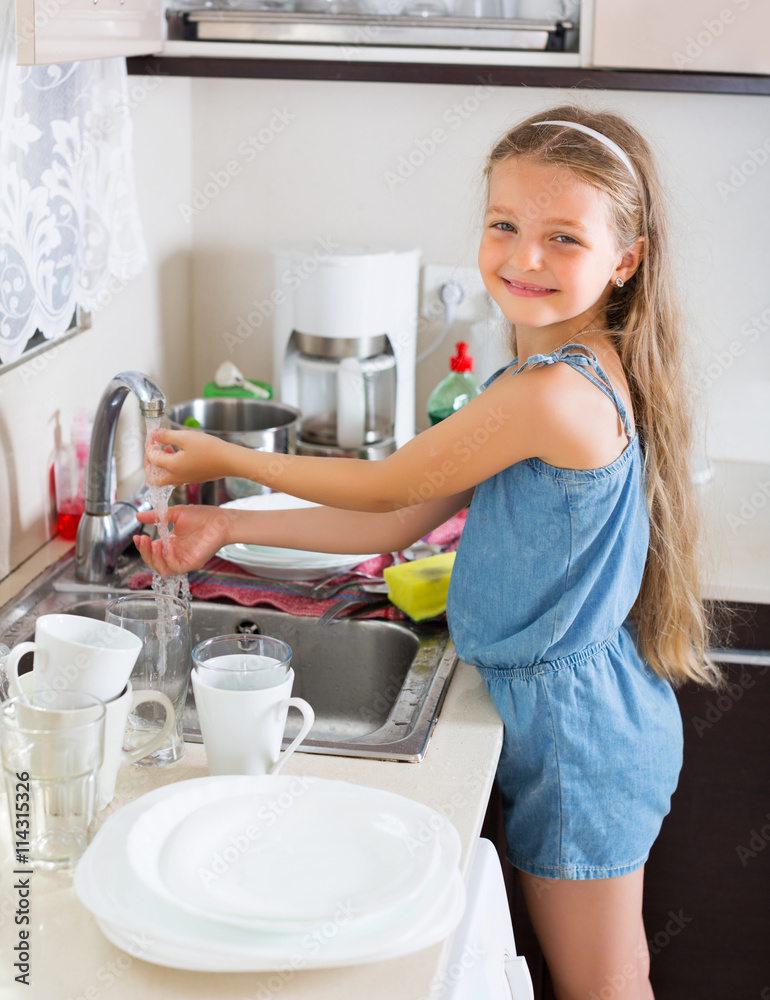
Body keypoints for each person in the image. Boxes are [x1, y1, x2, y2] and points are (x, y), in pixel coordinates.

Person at [135, 104, 720, 1000]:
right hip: (568, 717)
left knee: (606, 987)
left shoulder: (557, 393)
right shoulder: (539, 375)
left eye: (564, 237)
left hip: (576, 738)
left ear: (625, 259)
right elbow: (389, 527)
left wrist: (224, 458)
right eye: (505, 226)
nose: (525, 258)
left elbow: (384, 487)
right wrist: (229, 525)